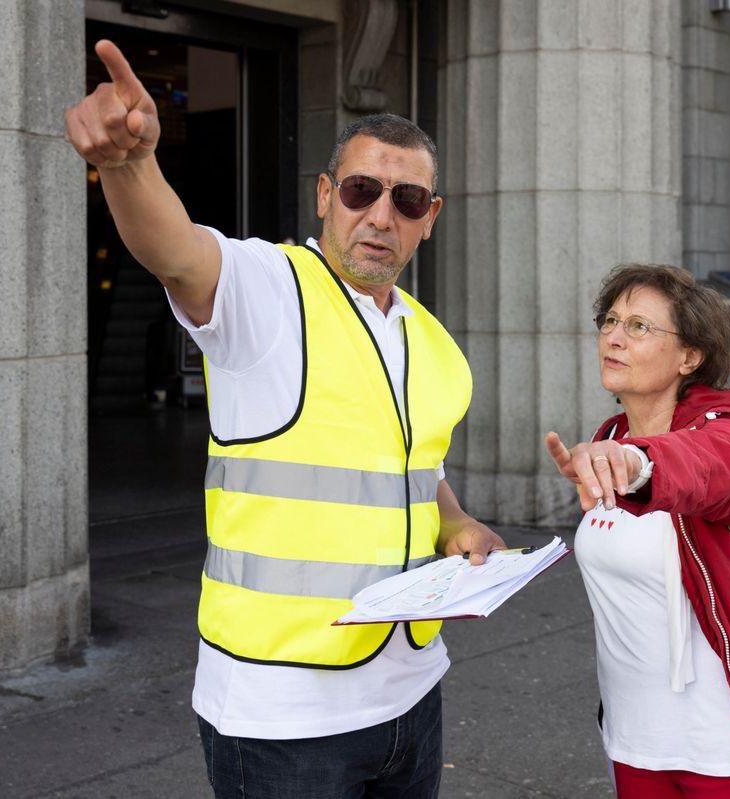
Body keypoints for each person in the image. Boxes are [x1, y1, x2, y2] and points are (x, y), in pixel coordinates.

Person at [64, 41, 505, 799]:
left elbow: (419, 471)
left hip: (412, 693)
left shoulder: (431, 341)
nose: (380, 215)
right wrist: (127, 164)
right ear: (325, 195)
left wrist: (458, 524)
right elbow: (176, 251)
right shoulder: (269, 291)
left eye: (405, 201)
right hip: (282, 718)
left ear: (428, 219)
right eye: (363, 189)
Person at [544, 264, 730, 799]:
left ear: (690, 357)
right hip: (632, 735)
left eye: (639, 326)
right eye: (610, 320)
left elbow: (714, 469)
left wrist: (638, 463)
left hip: (721, 740)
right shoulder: (608, 436)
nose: (614, 336)